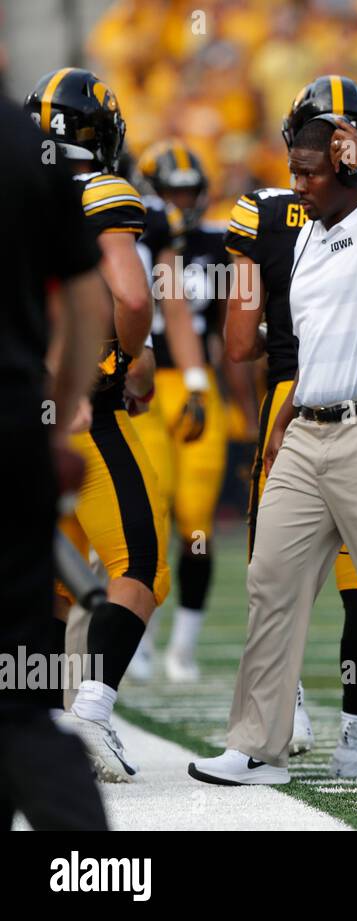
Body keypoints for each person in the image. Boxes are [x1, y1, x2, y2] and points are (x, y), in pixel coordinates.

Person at [190, 103, 357, 788]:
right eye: (292, 172)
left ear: (346, 160)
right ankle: (258, 746)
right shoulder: (307, 237)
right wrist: (286, 418)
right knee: (270, 581)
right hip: (307, 426)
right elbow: (315, 341)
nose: (297, 186)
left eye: (308, 172)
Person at [26, 68, 171, 782]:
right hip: (85, 408)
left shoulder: (20, 189)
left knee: (53, 579)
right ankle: (90, 708)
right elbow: (130, 292)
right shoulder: (99, 190)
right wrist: (128, 354)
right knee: (142, 564)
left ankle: (43, 723)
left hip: (24, 409)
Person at [0, 91, 112, 830]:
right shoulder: (23, 143)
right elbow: (86, 297)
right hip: (10, 431)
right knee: (15, 703)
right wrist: (59, 419)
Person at [128, 140, 230, 683]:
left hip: (196, 385)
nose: (181, 201)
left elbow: (226, 326)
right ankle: (137, 635)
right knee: (149, 508)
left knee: (196, 520)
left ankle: (183, 644)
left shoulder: (220, 243)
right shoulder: (128, 234)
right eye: (171, 191)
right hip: (142, 383)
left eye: (189, 192)